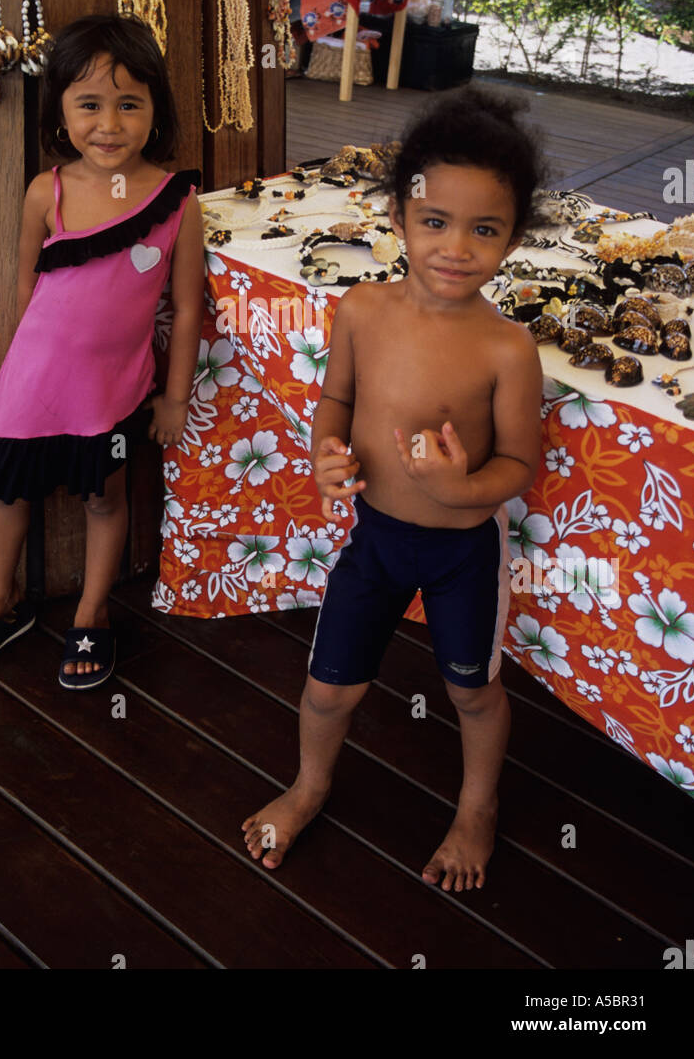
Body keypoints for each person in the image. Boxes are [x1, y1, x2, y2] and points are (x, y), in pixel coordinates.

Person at [243, 86, 546, 890]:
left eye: (485, 230)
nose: (456, 247)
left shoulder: (507, 349)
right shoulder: (363, 309)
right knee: (327, 686)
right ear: (399, 216)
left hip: (463, 553)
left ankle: (476, 807)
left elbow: (521, 465)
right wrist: (326, 452)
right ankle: (310, 785)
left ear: (513, 239)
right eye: (435, 222)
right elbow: (336, 400)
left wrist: (460, 487)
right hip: (373, 539)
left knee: (471, 691)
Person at [0, 14, 205, 689]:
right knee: (8, 492)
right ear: (61, 110)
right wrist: (31, 368)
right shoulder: (46, 192)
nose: (109, 124)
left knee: (103, 496)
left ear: (155, 110)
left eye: (129, 104)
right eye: (89, 104)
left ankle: (92, 613)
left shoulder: (177, 201)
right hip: (33, 381)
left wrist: (174, 397)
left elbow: (186, 304)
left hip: (111, 390)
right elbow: (29, 289)